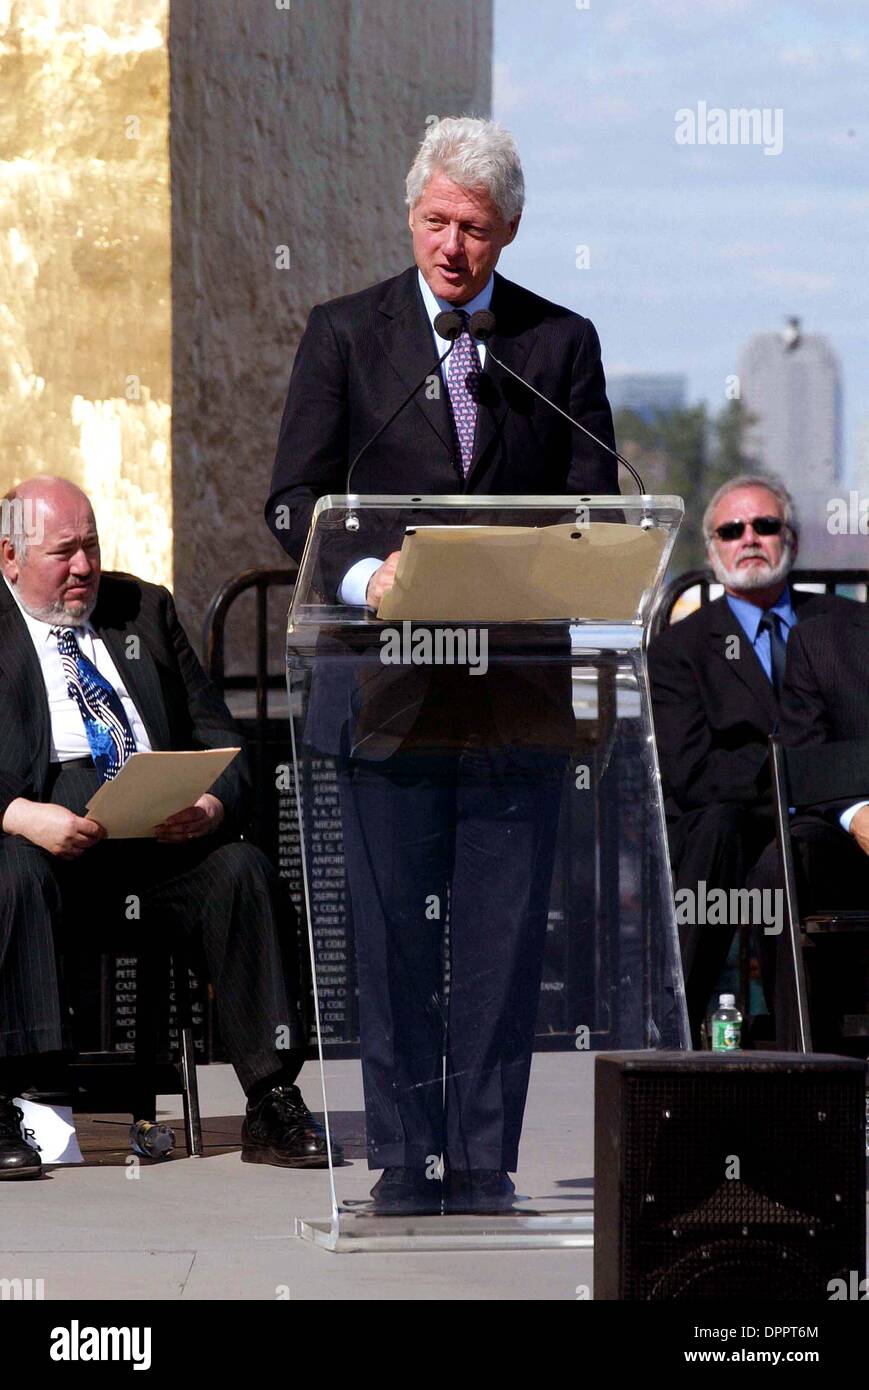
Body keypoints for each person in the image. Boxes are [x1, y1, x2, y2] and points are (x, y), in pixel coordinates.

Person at [265, 116, 617, 1212]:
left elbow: (598, 507)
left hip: (511, 693)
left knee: (503, 944)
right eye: (434, 222)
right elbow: (292, 500)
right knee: (393, 936)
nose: (451, 247)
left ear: (507, 231)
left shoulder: (557, 346)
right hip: (383, 687)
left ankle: (479, 1163)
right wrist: (368, 579)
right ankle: (403, 1161)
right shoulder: (343, 334)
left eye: (473, 228)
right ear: (407, 215)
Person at [0, 477, 335, 1179]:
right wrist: (24, 816)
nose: (85, 567)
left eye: (91, 546)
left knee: (240, 870)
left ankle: (271, 1097)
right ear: (10, 557)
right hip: (42, 844)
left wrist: (211, 804)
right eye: (64, 553)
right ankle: (6, 1101)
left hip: (158, 842)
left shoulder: (142, 609)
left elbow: (223, 738)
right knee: (11, 875)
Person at [648, 475, 851, 1046]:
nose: (750, 539)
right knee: (723, 830)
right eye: (732, 530)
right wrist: (791, 769)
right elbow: (691, 775)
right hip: (734, 827)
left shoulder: (844, 625)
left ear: (791, 538)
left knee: (786, 863)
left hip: (831, 823)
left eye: (765, 525)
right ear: (712, 549)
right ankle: (677, 1032)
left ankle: (804, 1059)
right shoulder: (679, 651)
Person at [748, 601, 869, 1050]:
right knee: (777, 873)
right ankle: (805, 1068)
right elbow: (805, 756)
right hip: (852, 844)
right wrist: (856, 813)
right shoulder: (820, 642)